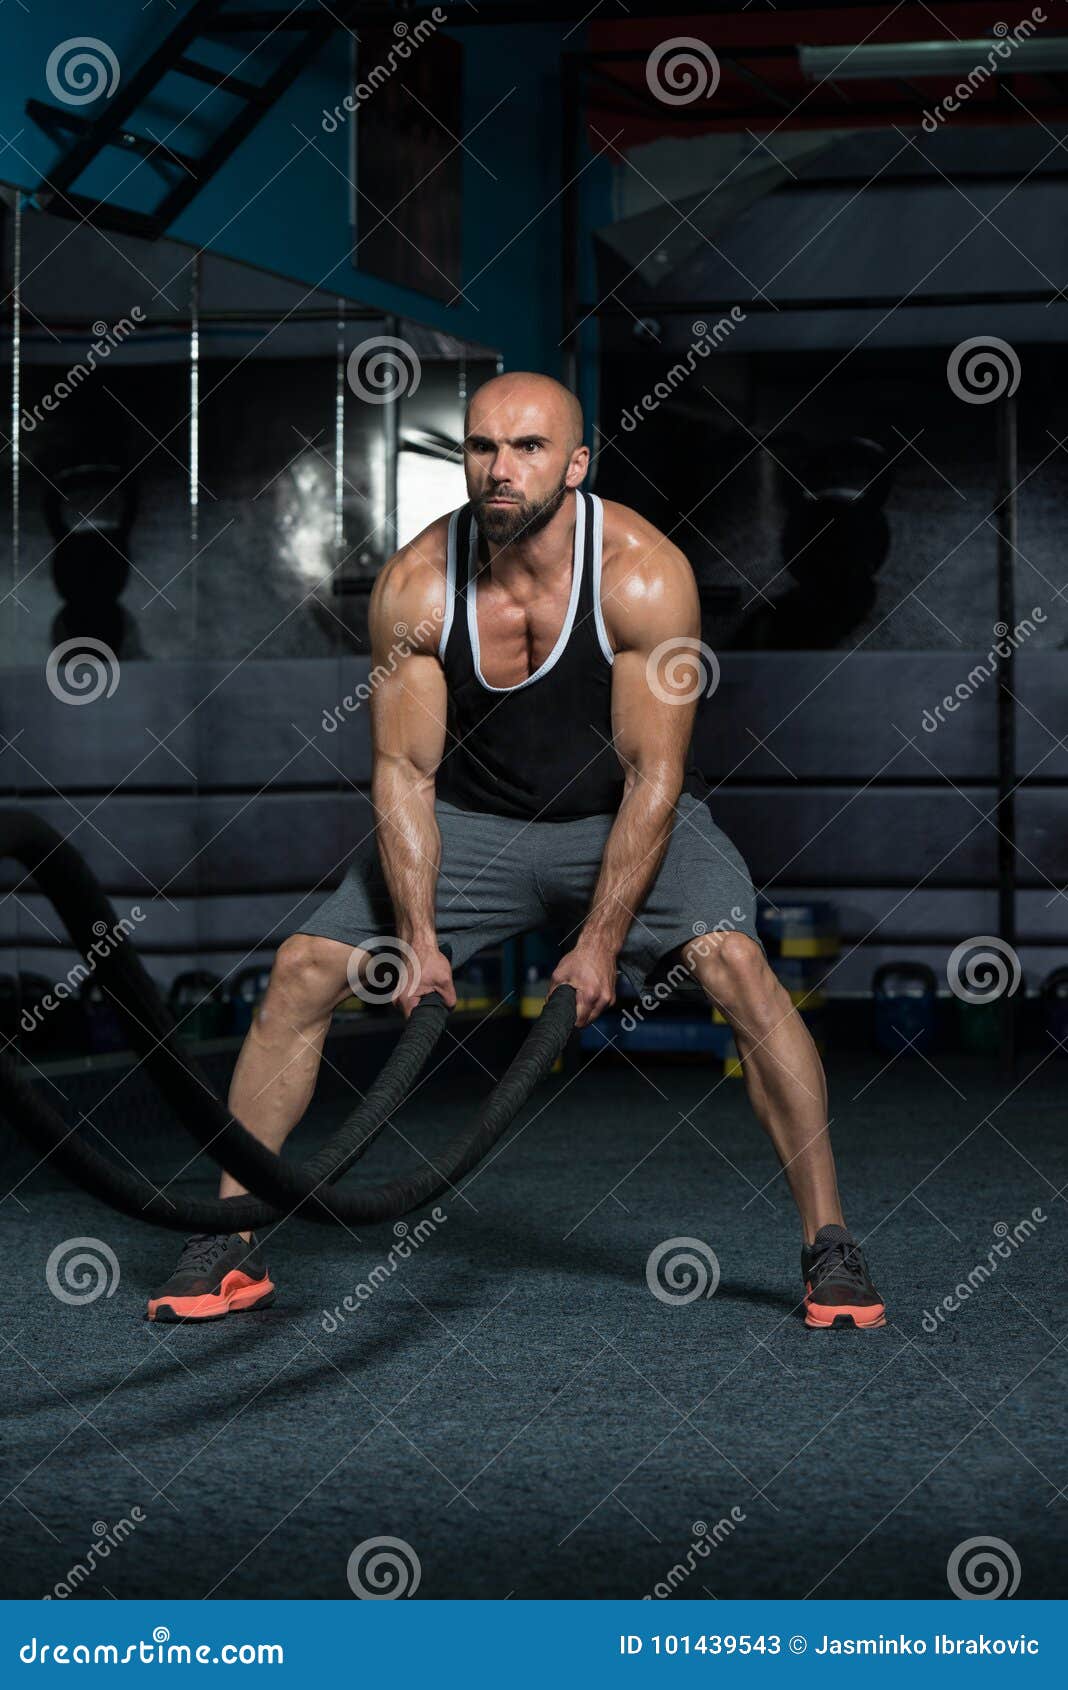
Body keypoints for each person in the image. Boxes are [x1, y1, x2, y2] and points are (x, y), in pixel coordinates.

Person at [147, 372, 884, 1330]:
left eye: (529, 448)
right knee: (301, 971)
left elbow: (653, 777)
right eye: (483, 447)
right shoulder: (416, 584)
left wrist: (603, 941)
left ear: (576, 463)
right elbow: (404, 771)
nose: (502, 470)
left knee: (739, 965)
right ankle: (234, 1237)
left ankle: (828, 1242)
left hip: (617, 820)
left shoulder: (643, 575)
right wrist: (416, 935)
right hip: (477, 828)